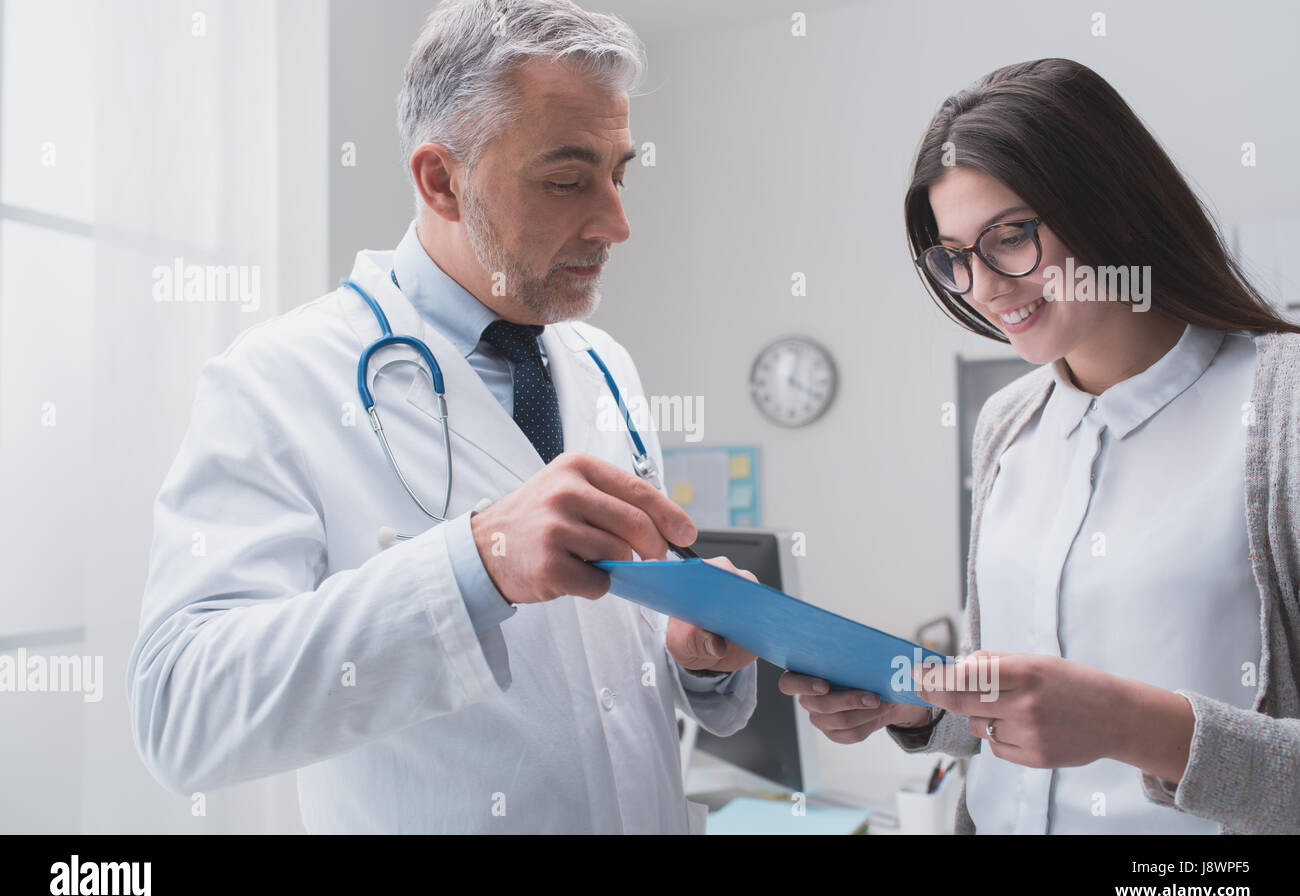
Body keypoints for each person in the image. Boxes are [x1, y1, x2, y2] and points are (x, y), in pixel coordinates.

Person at [127, 0, 758, 834]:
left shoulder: (604, 364)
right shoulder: (276, 380)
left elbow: (595, 664)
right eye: (568, 180)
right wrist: (476, 563)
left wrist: (691, 657)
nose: (616, 222)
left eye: (619, 173)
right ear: (440, 180)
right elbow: (182, 713)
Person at [781, 58, 1300, 834]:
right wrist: (923, 706)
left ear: (1115, 207)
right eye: (955, 256)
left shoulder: (1281, 405)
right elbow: (1020, 725)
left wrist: (1134, 723)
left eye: (1011, 236)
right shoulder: (1008, 423)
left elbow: (1109, 726)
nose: (985, 288)